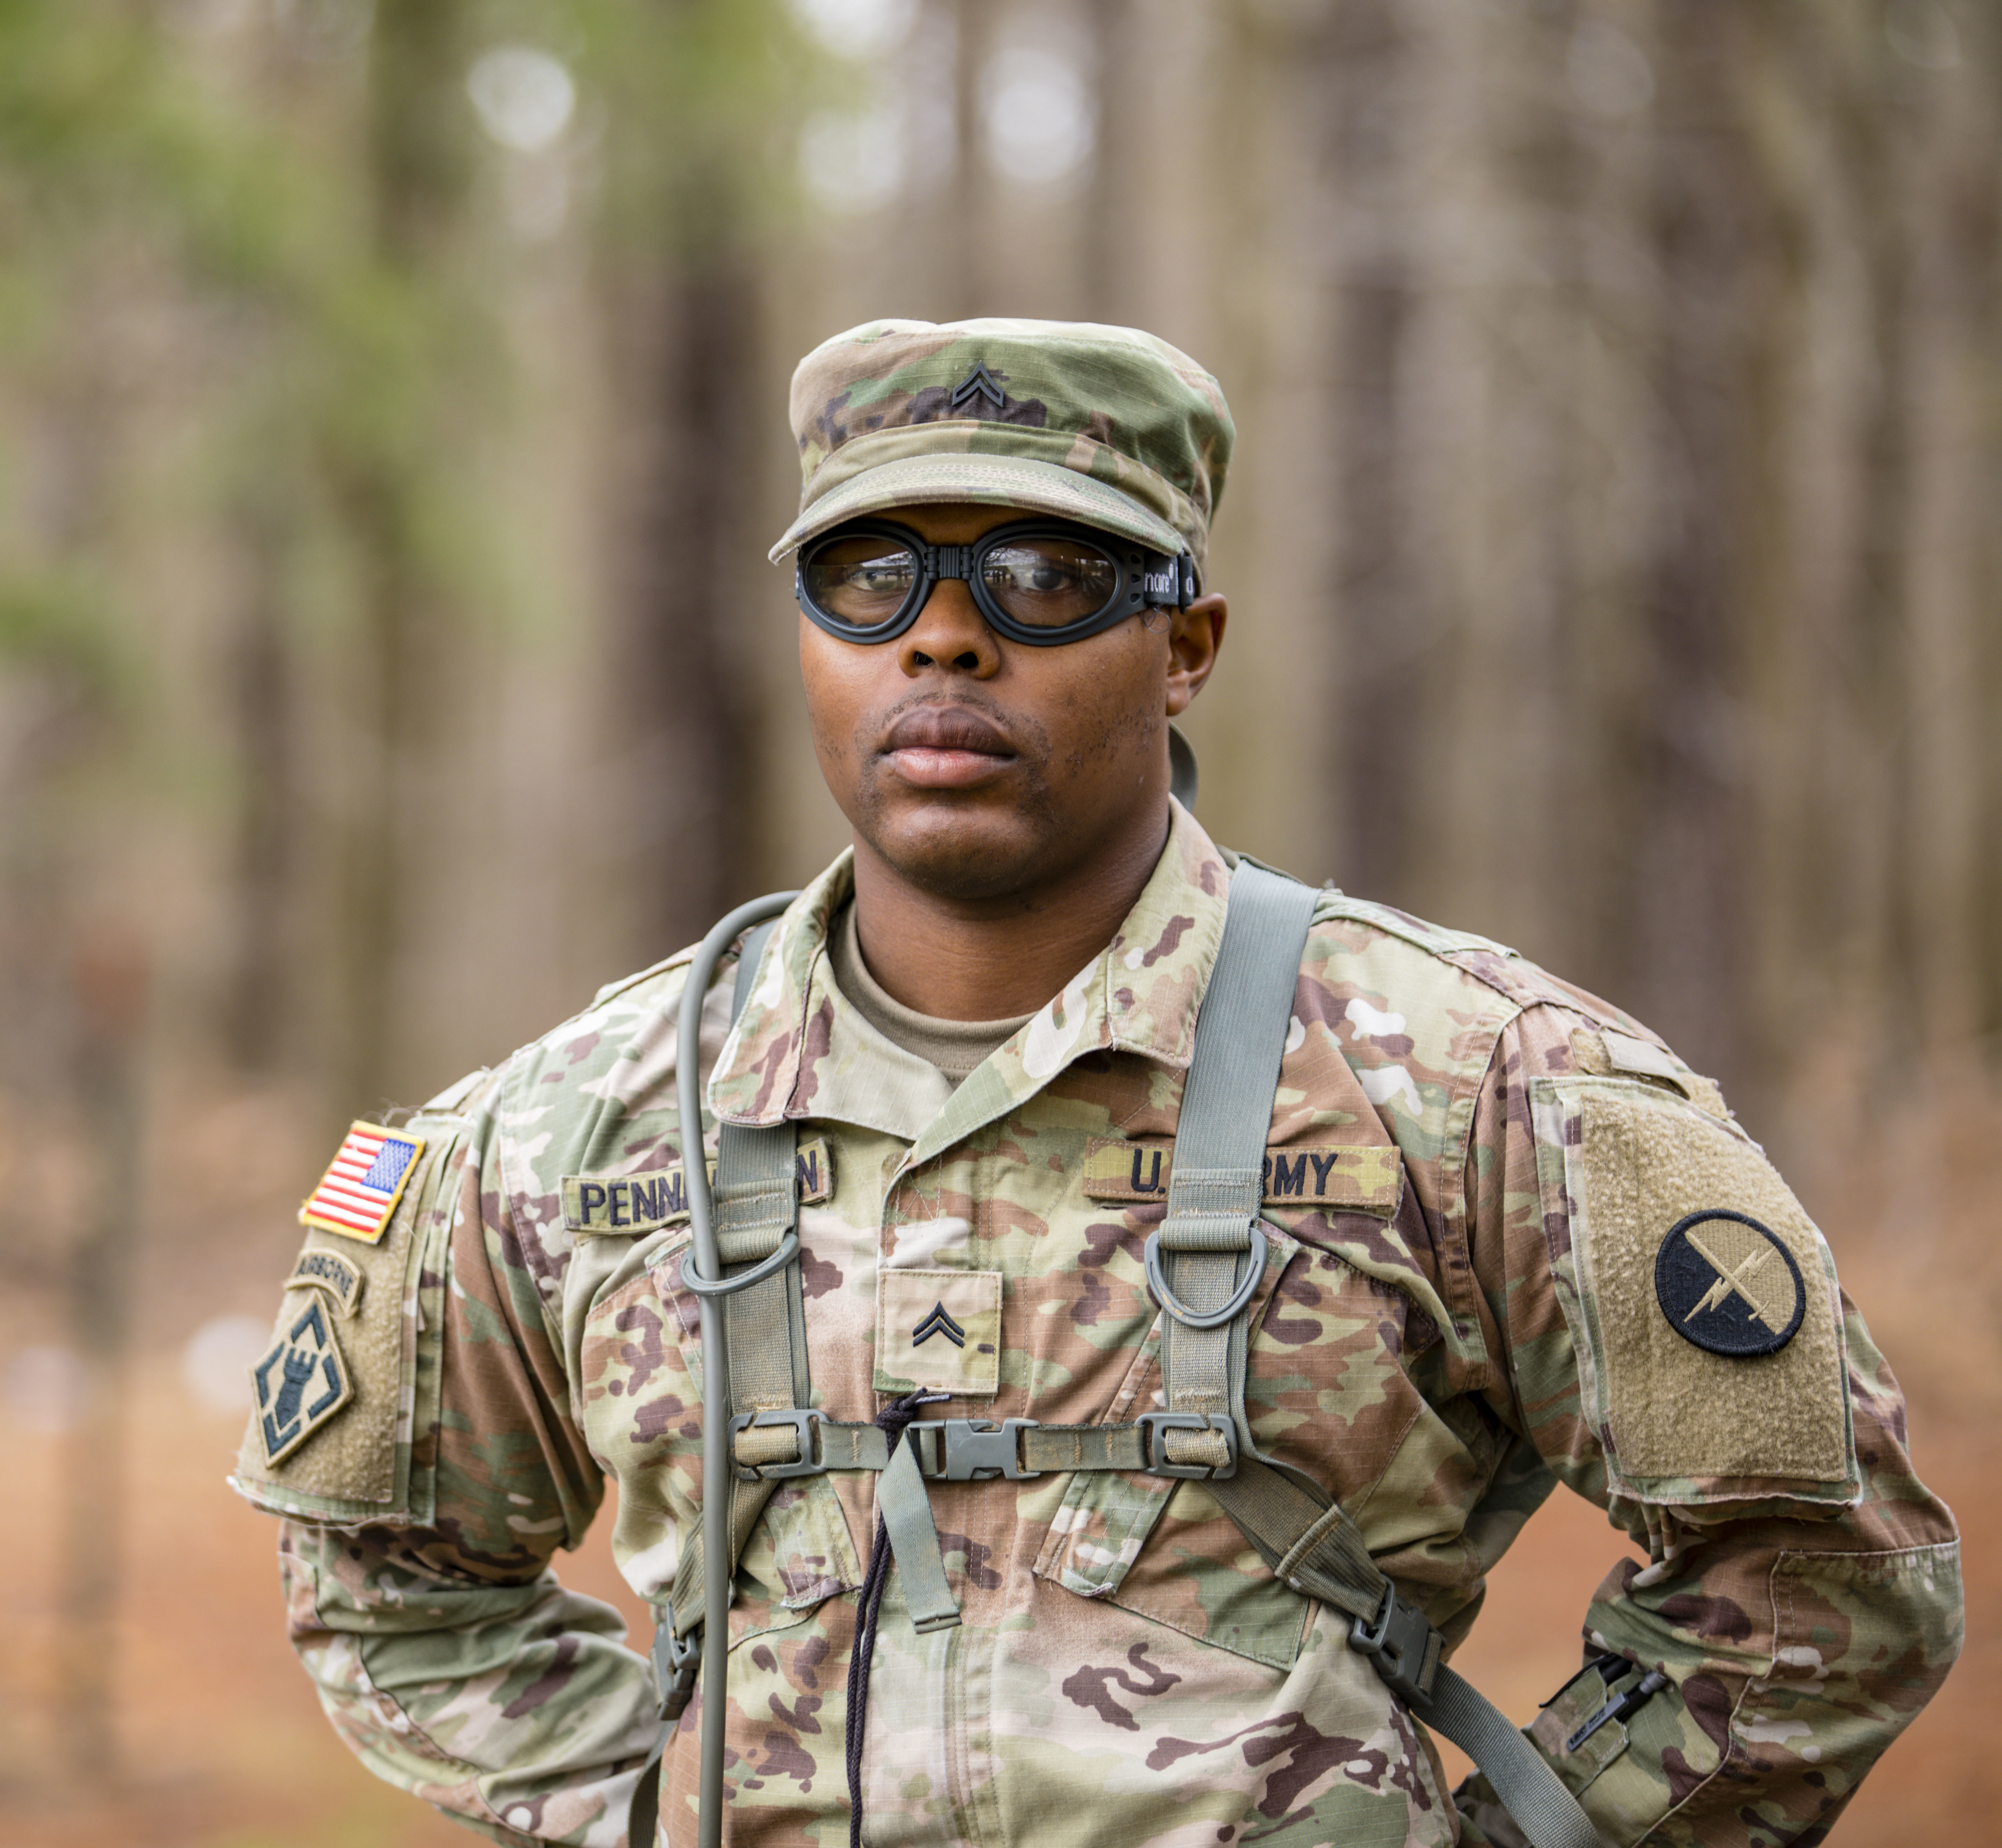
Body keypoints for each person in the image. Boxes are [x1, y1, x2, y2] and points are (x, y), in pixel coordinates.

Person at [228, 319, 1959, 1847]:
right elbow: (386, 1575)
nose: (943, 643)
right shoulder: (578, 1121)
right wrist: (645, 1809)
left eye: (1045, 577)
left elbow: (1828, 1573)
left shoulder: (1478, 1083)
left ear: (1185, 644)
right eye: (867, 579)